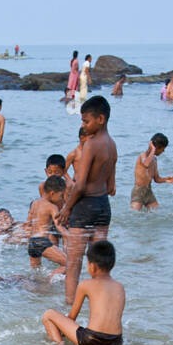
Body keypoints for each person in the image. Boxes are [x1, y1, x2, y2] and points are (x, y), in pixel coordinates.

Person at [56, 95, 117, 304]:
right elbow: (111, 187)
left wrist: (66, 209)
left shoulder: (91, 145)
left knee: (73, 265)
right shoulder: (112, 144)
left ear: (100, 119)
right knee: (100, 266)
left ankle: (70, 311)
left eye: (86, 121)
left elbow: (80, 184)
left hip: (84, 208)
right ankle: (100, 310)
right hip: (103, 209)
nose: (83, 125)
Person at [41, 239, 124, 345]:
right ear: (113, 264)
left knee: (48, 314)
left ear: (92, 266)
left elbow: (72, 317)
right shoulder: (120, 287)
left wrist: (61, 329)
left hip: (92, 340)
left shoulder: (86, 284)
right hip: (115, 342)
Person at [26, 177, 67, 267]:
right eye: (61, 195)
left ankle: (37, 281)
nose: (61, 199)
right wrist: (70, 235)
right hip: (42, 242)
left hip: (32, 242)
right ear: (52, 193)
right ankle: (51, 279)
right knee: (68, 264)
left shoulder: (34, 203)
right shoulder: (52, 207)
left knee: (36, 270)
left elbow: (29, 222)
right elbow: (59, 227)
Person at [131, 134, 173, 210]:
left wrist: (166, 179)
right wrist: (153, 149)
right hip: (138, 192)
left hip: (149, 191)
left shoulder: (154, 160)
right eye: (163, 149)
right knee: (135, 215)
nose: (163, 151)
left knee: (156, 212)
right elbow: (146, 164)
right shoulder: (142, 155)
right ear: (157, 147)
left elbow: (156, 179)